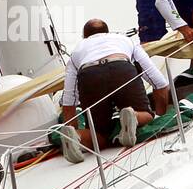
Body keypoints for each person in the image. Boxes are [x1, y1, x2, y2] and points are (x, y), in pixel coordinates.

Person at [58, 19, 171, 164]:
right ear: (107, 32)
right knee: (147, 115)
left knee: (99, 134)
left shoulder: (77, 52)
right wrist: (159, 118)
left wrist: (71, 128)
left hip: (89, 75)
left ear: (84, 37)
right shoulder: (125, 40)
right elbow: (159, 82)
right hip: (121, 67)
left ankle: (76, 136)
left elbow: (69, 100)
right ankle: (134, 116)